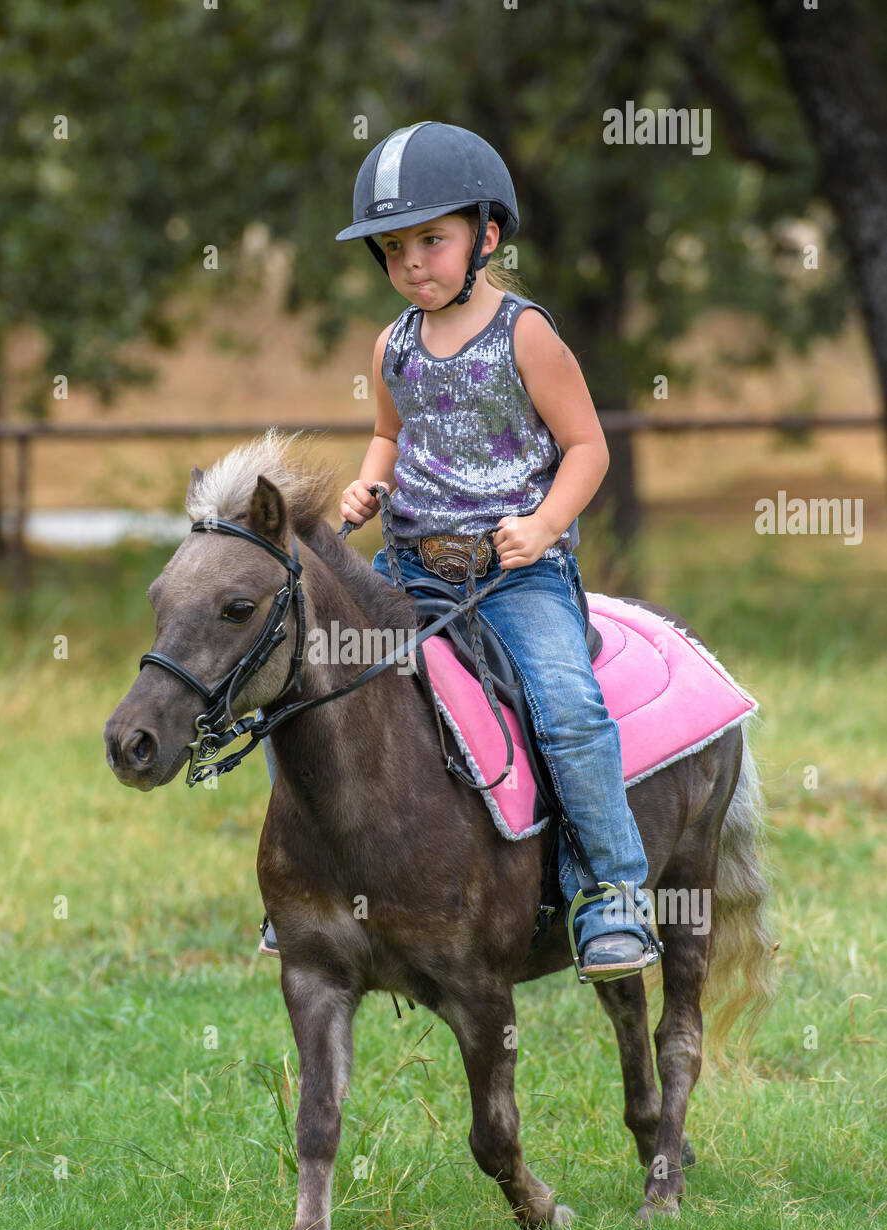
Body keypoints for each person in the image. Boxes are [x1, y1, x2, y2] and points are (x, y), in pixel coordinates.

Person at [258, 120, 657, 982]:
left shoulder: (526, 336)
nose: (411, 263)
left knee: (566, 707)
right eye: (394, 248)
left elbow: (587, 448)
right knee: (302, 678)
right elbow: (388, 435)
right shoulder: (391, 344)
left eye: (431, 241)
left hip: (513, 573)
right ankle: (306, 883)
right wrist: (369, 485)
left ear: (486, 234)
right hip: (405, 565)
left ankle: (612, 893)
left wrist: (544, 526)